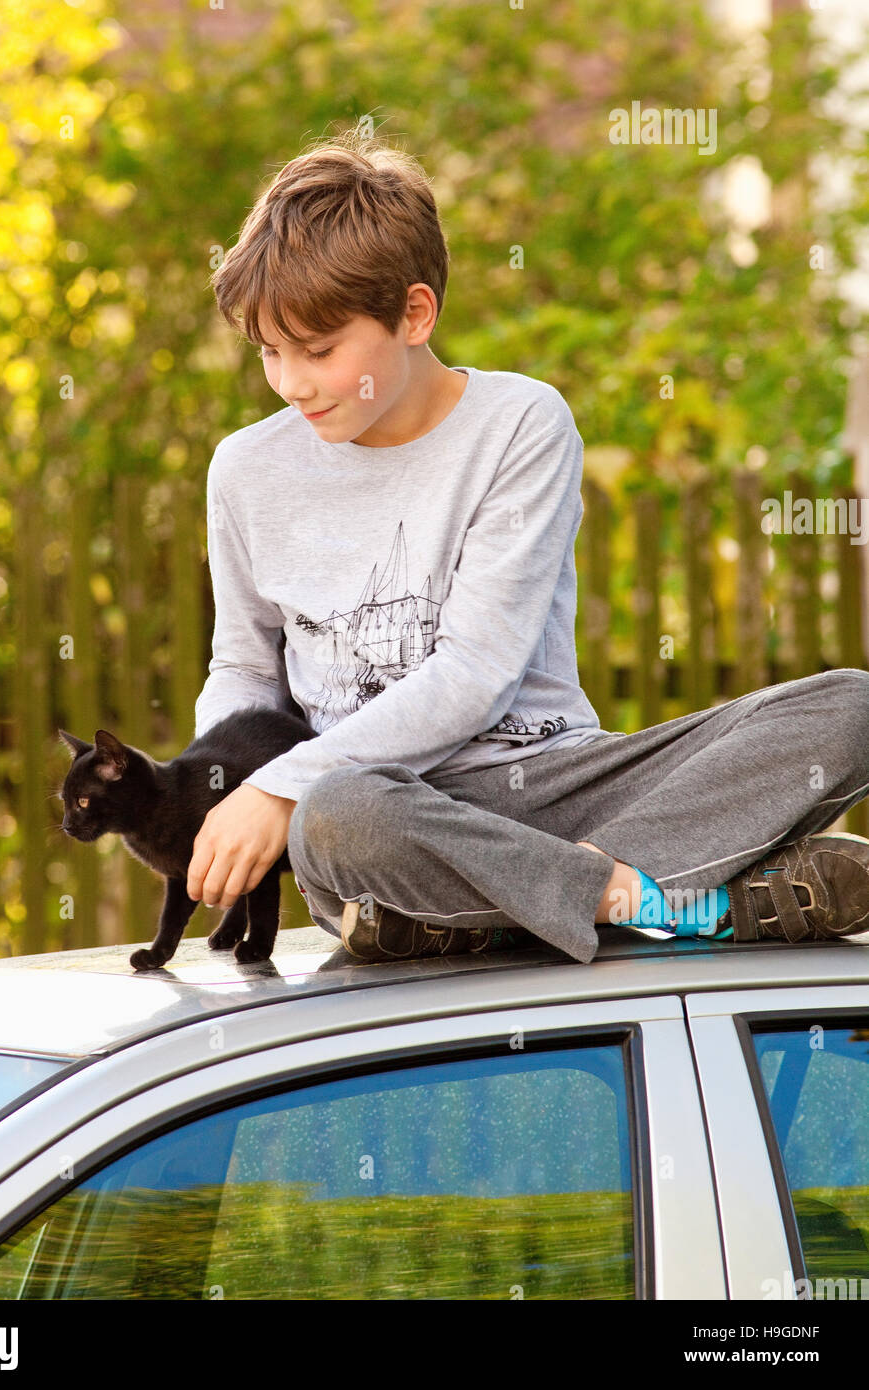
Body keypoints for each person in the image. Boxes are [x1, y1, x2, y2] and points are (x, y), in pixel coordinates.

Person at [186, 127, 869, 963]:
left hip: (557, 792)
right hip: (388, 818)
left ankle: (486, 914)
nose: (291, 384)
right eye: (269, 353)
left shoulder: (520, 424)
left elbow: (477, 672)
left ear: (414, 312)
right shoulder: (246, 470)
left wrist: (279, 784)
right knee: (337, 816)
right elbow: (246, 671)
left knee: (850, 707)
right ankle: (641, 899)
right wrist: (241, 784)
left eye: (319, 352)